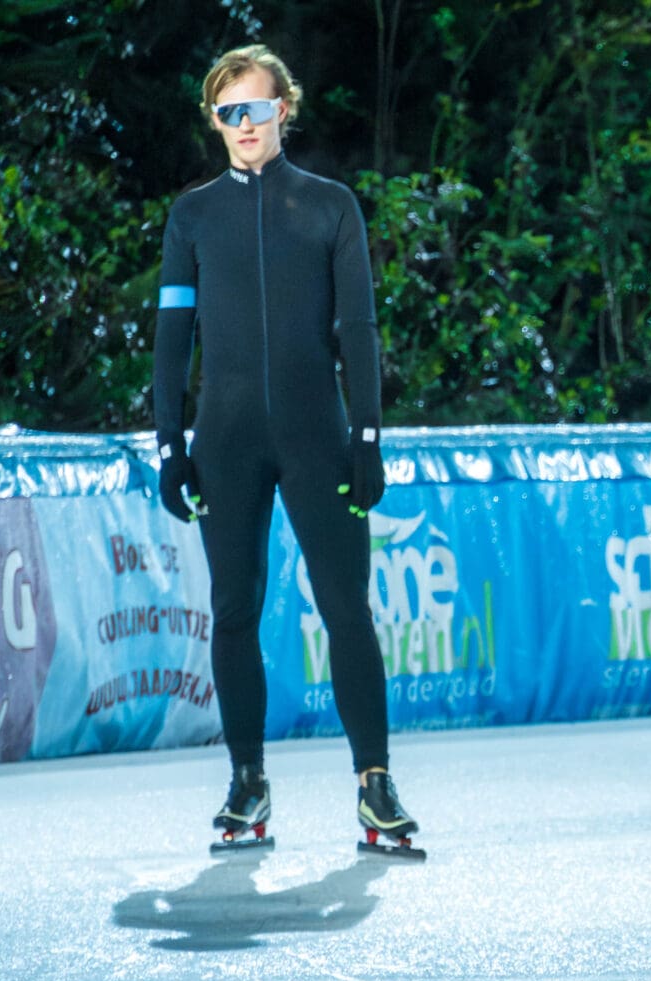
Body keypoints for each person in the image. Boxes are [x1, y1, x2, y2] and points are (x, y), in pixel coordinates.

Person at [151, 45, 419, 854]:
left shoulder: (331, 206)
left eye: (257, 109)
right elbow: (171, 340)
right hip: (226, 444)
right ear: (214, 120)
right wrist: (169, 444)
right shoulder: (192, 215)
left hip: (317, 438)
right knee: (233, 613)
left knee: (346, 611)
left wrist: (366, 436)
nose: (244, 125)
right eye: (229, 112)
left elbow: (359, 332)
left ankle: (375, 785)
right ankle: (246, 780)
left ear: (284, 110)